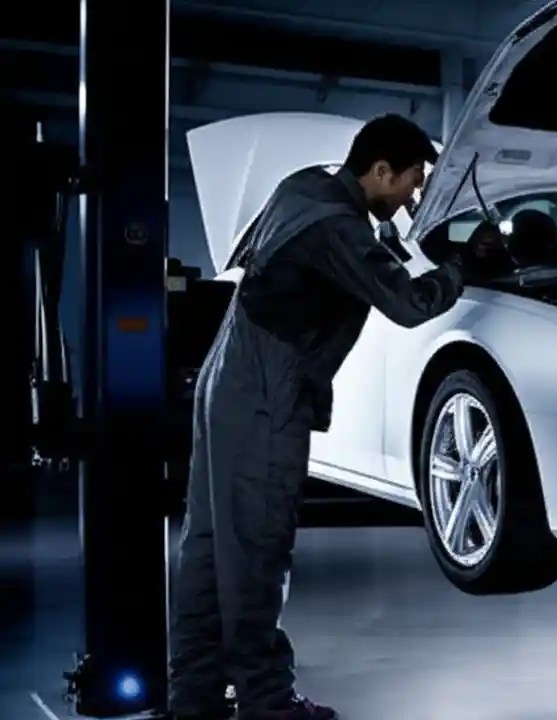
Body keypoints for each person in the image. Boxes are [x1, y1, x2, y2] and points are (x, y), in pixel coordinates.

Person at [168, 114, 466, 720]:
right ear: (379, 170)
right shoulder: (338, 227)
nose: (413, 194)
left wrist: (391, 241)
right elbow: (409, 304)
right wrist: (462, 269)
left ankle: (194, 696)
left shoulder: (303, 187)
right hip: (266, 394)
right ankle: (267, 702)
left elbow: (327, 256)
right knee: (257, 547)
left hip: (223, 378)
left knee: (206, 546)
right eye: (411, 181)